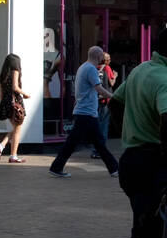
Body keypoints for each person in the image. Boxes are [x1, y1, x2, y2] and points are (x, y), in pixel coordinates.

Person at [113, 27, 167, 238]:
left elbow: (115, 102)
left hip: (131, 160)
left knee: (143, 220)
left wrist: (129, 131)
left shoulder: (140, 70)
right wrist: (166, 155)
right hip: (152, 163)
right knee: (154, 227)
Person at [49, 46, 119, 178]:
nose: (102, 59)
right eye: (101, 57)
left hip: (85, 111)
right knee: (85, 142)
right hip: (86, 112)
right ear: (98, 57)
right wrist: (114, 97)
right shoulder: (91, 69)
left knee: (95, 143)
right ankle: (56, 167)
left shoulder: (83, 67)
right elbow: (99, 88)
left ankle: (114, 168)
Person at [0, 54, 32, 163]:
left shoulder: (3, 75)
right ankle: (13, 155)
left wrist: (4, 104)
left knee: (15, 128)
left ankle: (2, 146)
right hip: (15, 102)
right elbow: (15, 87)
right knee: (17, 129)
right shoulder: (15, 70)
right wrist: (25, 94)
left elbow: (1, 94)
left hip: (6, 103)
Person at [92, 52, 116, 155]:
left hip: (97, 99)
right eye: (108, 59)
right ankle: (101, 150)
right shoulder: (107, 68)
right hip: (106, 100)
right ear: (105, 60)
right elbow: (111, 83)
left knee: (97, 124)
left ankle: (95, 149)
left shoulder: (95, 68)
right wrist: (115, 76)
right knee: (104, 125)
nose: (109, 61)